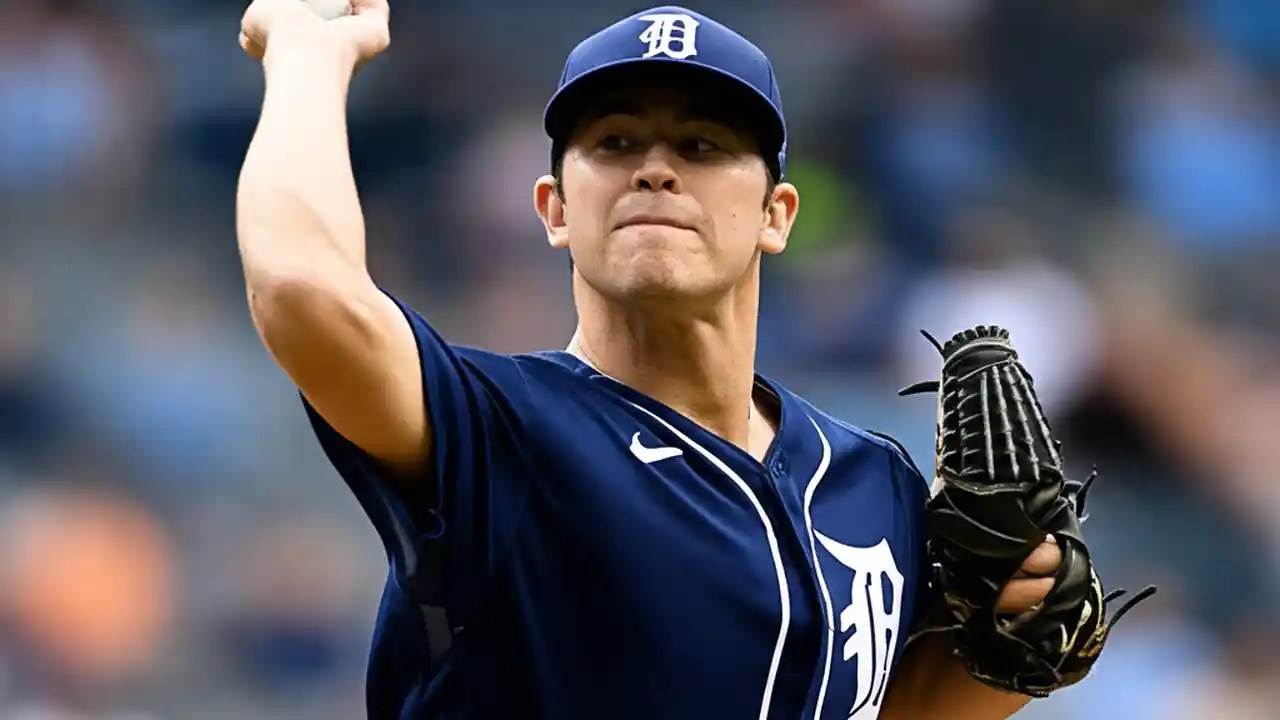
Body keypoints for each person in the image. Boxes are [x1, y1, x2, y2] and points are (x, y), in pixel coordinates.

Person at [236, 2, 1062, 718]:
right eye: (615, 142)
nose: (656, 171)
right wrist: (307, 54)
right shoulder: (503, 433)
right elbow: (303, 292)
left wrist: (1013, 655)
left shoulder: (870, 482)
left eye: (701, 146)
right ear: (555, 210)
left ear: (777, 214)